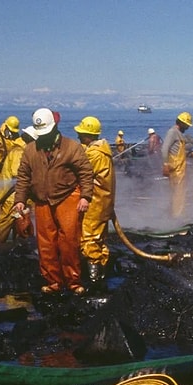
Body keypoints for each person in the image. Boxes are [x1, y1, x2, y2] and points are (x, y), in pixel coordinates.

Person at [13, 108, 94, 295]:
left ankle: (73, 282)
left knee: (69, 241)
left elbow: (85, 173)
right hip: (41, 200)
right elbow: (23, 177)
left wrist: (85, 196)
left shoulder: (72, 147)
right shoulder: (30, 150)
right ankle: (53, 282)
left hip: (68, 196)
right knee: (46, 243)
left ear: (55, 127)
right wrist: (20, 200)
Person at [74, 115, 114, 290]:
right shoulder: (102, 150)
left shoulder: (94, 154)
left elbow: (81, 173)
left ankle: (94, 279)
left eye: (81, 134)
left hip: (95, 202)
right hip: (104, 202)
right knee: (100, 239)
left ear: (88, 136)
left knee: (89, 238)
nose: (79, 136)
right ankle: (103, 272)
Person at [0, 116, 27, 248]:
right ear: (6, 127)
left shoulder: (15, 137)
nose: (14, 133)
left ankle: (12, 230)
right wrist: (4, 161)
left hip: (9, 173)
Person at [162, 112, 193, 218]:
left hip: (180, 168)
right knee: (177, 193)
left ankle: (177, 213)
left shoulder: (178, 133)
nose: (188, 128)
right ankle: (177, 216)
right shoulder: (172, 132)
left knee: (180, 193)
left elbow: (177, 151)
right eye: (187, 125)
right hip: (175, 167)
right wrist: (165, 164)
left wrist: (190, 154)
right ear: (182, 123)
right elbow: (164, 149)